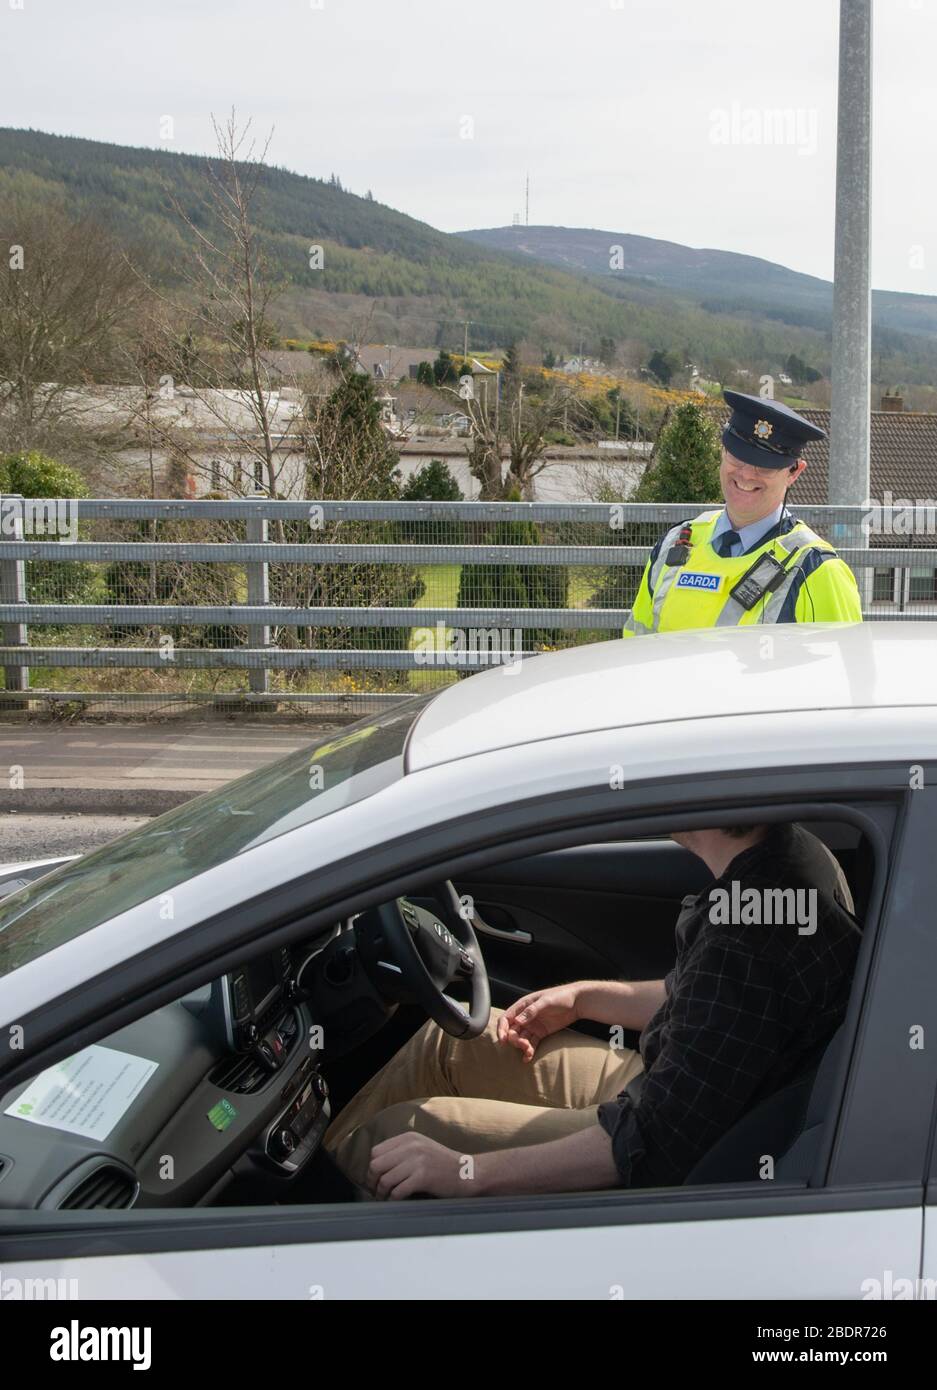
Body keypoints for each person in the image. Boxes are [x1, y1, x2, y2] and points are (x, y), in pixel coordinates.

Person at [322, 822, 860, 1199]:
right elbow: (700, 998)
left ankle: (304, 1234)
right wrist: (580, 998)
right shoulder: (792, 860)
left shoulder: (750, 939)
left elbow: (651, 1148)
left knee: (404, 1137)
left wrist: (463, 1173)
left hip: (673, 1139)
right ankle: (324, 1170)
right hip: (677, 1079)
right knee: (452, 1040)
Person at [623, 392, 862, 636]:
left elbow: (839, 671)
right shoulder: (675, 541)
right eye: (738, 457)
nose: (746, 475)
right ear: (722, 452)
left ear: (794, 472)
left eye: (764, 465)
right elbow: (635, 642)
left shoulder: (817, 570)